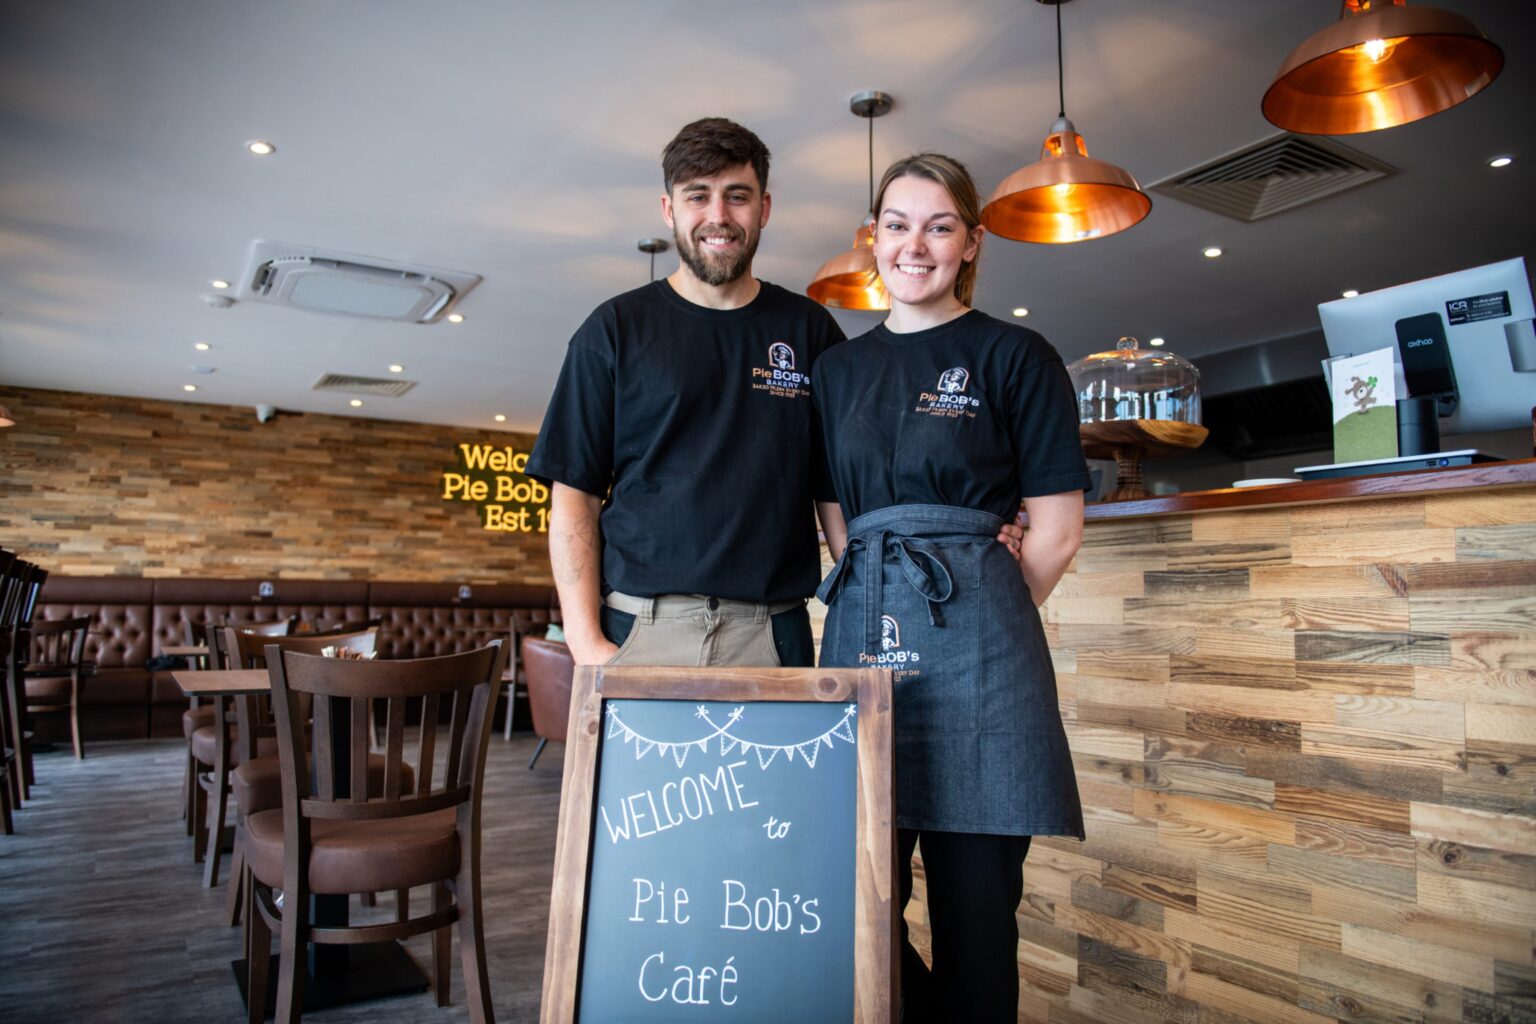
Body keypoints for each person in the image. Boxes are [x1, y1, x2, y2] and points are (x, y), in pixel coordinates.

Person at [812, 153, 1089, 1020]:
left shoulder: (1016, 355)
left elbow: (1056, 527)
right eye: (897, 223)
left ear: (970, 241)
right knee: (853, 903)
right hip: (860, 639)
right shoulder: (836, 372)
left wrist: (982, 612)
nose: (915, 244)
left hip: (985, 667)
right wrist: (879, 586)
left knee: (976, 918)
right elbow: (834, 513)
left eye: (938, 226)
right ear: (874, 238)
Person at [525, 117, 847, 669]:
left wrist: (864, 600)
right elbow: (572, 494)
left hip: (774, 634)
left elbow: (838, 493)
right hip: (637, 631)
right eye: (698, 196)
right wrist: (585, 642)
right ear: (670, 210)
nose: (718, 216)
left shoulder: (811, 332)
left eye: (737, 196)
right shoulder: (613, 330)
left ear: (764, 209)